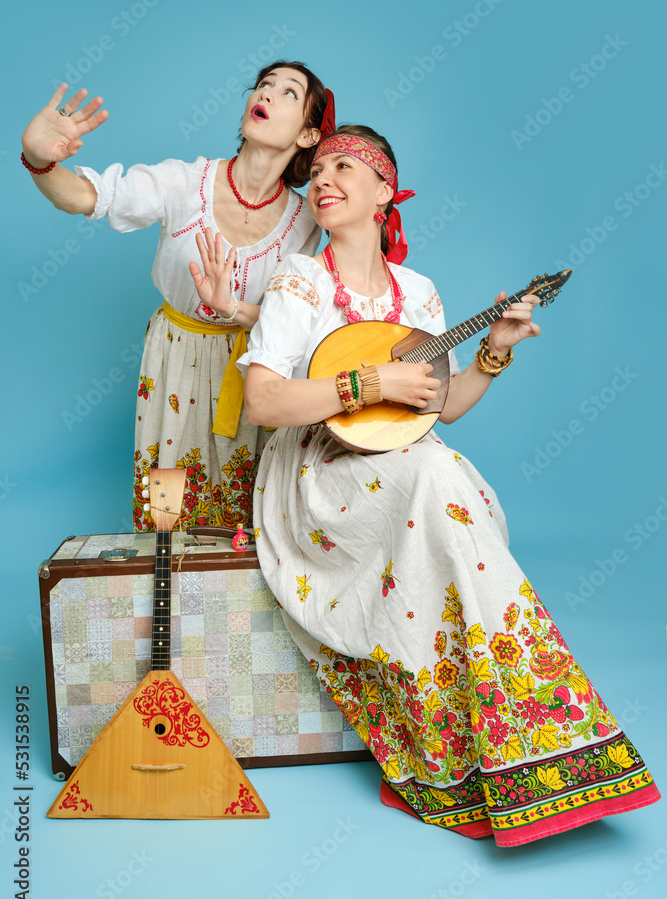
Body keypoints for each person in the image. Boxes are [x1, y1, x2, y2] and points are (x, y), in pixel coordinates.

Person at [196, 124, 660, 846]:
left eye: (343, 167)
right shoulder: (298, 277)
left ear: (384, 191)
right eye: (316, 169)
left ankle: (502, 747)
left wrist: (493, 354)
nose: (322, 178)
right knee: (437, 478)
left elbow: (436, 410)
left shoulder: (418, 293)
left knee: (440, 472)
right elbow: (264, 404)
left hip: (404, 466)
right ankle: (486, 742)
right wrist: (370, 380)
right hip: (315, 473)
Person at [21, 62, 332, 529]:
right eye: (263, 84)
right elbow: (88, 197)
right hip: (177, 359)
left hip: (257, 370)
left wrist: (237, 310)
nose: (266, 93)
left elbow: (298, 318)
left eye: (288, 92)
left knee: (253, 519)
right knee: (170, 510)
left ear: (309, 135)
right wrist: (40, 161)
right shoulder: (184, 183)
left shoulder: (305, 222)